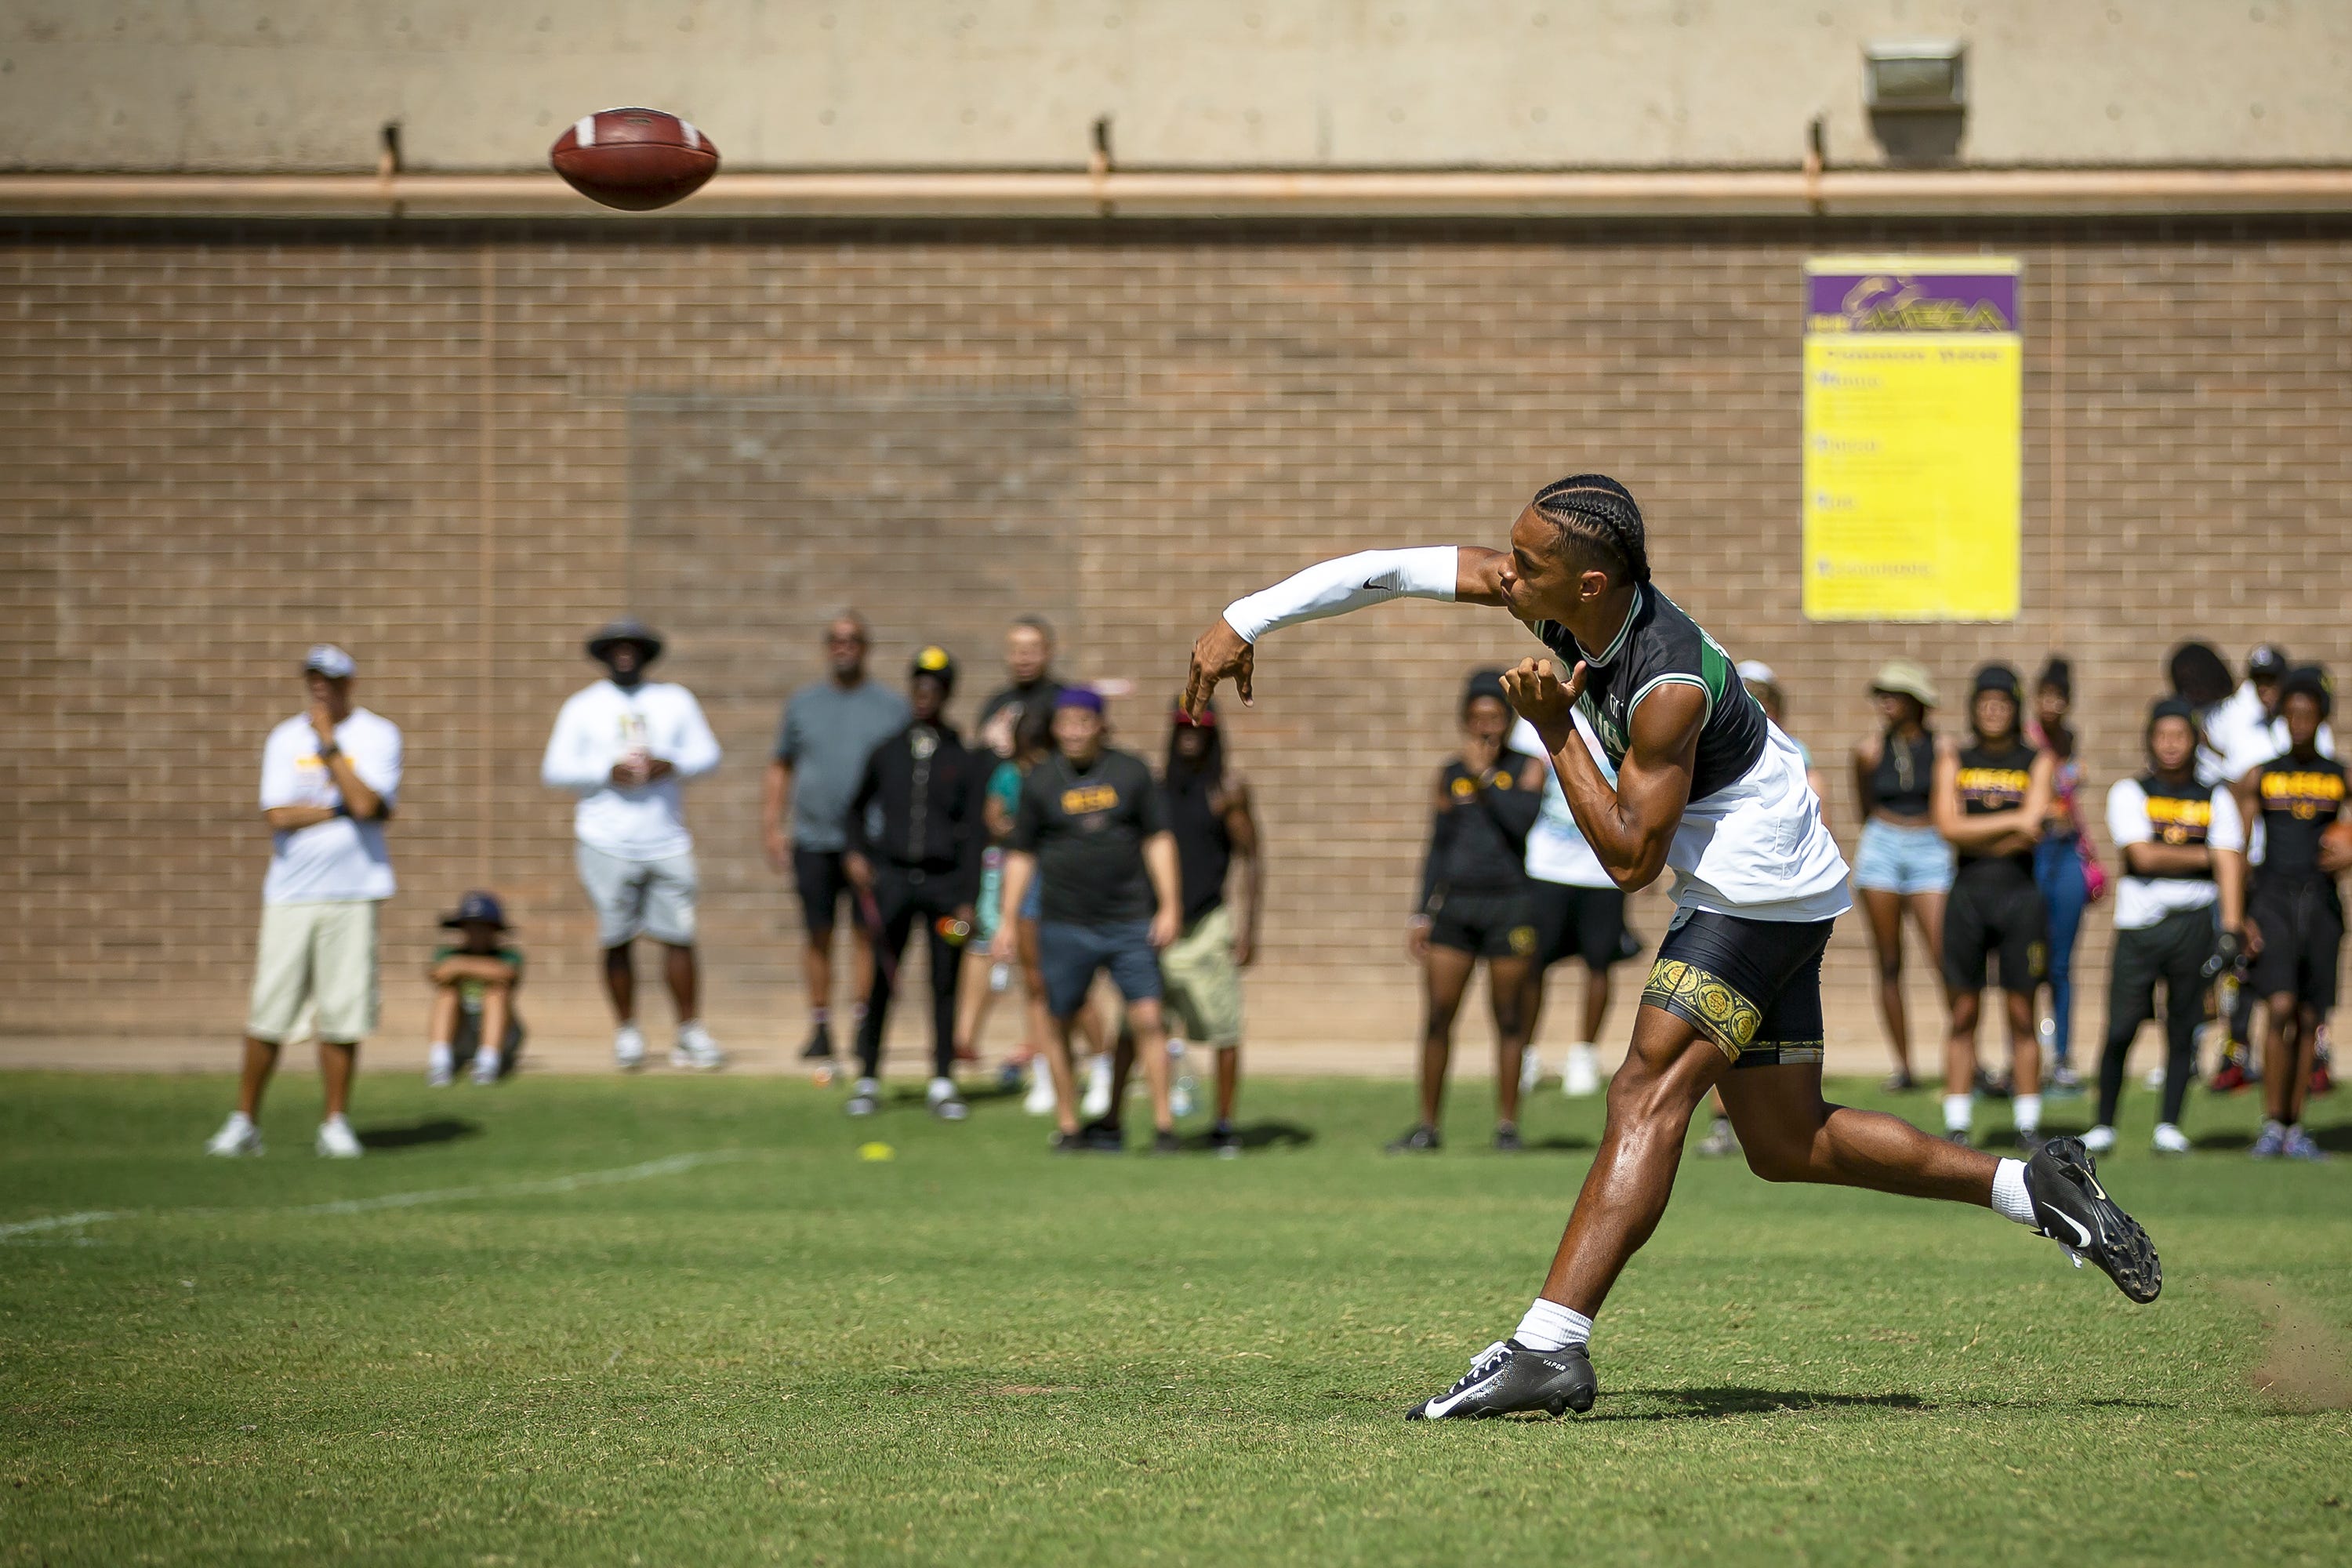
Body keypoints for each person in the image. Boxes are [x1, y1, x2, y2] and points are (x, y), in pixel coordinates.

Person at [1185, 473, 2158, 1421]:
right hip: (1774, 876)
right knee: (1785, 1141)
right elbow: (1397, 570)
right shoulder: (1562, 601)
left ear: (1591, 585)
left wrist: (1555, 727)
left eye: (1524, 562)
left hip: (1755, 883)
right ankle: (2030, 1185)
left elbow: (1627, 860)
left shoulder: (1667, 685)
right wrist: (1248, 615)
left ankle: (1549, 1346)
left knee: (1644, 1092)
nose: (1503, 575)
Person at [208, 644, 403, 1160]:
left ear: (350, 683)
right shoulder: (283, 738)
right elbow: (279, 815)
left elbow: (369, 805)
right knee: (269, 1010)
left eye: (332, 679)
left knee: (342, 1014)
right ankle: (244, 1120)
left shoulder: (378, 735)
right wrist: (339, 807)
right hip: (291, 892)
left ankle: (335, 1122)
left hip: (355, 891)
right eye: (314, 678)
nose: (322, 687)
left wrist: (329, 748)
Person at [993, 688, 1183, 1153]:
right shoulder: (1040, 781)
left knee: (1148, 1018)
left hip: (1127, 921)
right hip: (1064, 923)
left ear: (1100, 724)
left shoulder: (1131, 772)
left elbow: (1158, 839)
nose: (1075, 730)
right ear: (1056, 728)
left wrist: (1170, 905)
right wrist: (1006, 920)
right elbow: (1020, 855)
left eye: (1084, 721)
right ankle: (1070, 1125)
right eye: (1066, 722)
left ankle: (1163, 1127)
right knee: (1056, 1021)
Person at [540, 618, 724, 1072]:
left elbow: (709, 755)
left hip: (665, 838)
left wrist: (672, 764)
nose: (625, 655)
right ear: (604, 655)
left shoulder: (673, 699)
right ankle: (627, 1031)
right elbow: (555, 768)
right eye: (616, 648)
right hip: (606, 839)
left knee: (679, 935)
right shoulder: (583, 706)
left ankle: (689, 1030)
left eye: (633, 648)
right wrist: (606, 771)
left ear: (646, 654)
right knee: (617, 936)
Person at [1392, 670, 1545, 1153]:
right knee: (1439, 1015)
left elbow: (1521, 823)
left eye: (1496, 719)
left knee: (1508, 1018)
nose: (1487, 728)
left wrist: (1485, 779)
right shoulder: (1448, 774)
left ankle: (1506, 1126)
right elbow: (1437, 847)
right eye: (1478, 719)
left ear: (1509, 722)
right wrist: (1422, 912)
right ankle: (1427, 1127)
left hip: (1509, 904)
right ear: (1464, 720)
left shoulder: (1527, 768)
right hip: (1456, 908)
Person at [2088, 700, 2245, 1156]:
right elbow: (2143, 856)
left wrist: (2231, 927)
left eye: (2180, 735)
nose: (2171, 745)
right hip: (2139, 926)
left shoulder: (2216, 795)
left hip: (2196, 923)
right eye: (2162, 736)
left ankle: (2170, 1125)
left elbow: (2232, 865)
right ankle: (2103, 1125)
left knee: (2184, 1025)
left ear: (2194, 741)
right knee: (2120, 1027)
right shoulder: (2130, 791)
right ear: (2150, 741)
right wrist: (2208, 855)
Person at [840, 646, 990, 1121]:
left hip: (945, 886)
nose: (925, 696)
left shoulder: (962, 757)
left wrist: (968, 898)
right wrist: (858, 854)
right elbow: (854, 810)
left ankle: (943, 1080)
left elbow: (974, 834)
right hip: (894, 882)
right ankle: (868, 1076)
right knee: (883, 979)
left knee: (945, 981)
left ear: (946, 694)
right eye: (919, 687)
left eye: (935, 689)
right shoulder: (887, 750)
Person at [765, 612, 912, 1072]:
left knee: (868, 932)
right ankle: (820, 1024)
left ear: (866, 647)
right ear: (827, 647)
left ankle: (864, 1023)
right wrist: (772, 825)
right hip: (813, 838)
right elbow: (780, 766)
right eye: (836, 640)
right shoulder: (804, 704)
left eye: (852, 639)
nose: (843, 646)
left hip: (870, 842)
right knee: (818, 933)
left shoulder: (891, 707)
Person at [1934, 663, 2056, 1149]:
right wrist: (2012, 824)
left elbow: (2038, 825)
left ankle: (2028, 1121)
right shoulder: (1954, 757)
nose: (1992, 711)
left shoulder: (2037, 759)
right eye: (1984, 703)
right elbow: (1947, 826)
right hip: (1967, 895)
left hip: (2020, 898)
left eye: (2002, 703)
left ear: (2015, 708)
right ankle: (1958, 1122)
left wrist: (1978, 830)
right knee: (1963, 1013)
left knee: (2022, 1013)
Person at [2232, 666, 2347, 1160]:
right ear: (2283, 719)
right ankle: (2270, 1123)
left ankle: (2295, 1126)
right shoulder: (2262, 774)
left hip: (2320, 901)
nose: (2300, 721)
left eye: (2309, 713)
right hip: (2272, 898)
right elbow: (2234, 847)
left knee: (2307, 1014)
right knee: (2277, 1006)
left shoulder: (2338, 775)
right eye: (2292, 713)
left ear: (2321, 717)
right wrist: (2238, 916)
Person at [1156, 697, 1262, 1156]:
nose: (1190, 735)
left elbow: (1253, 859)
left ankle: (1223, 1124)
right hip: (1158, 926)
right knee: (1137, 1026)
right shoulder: (1155, 790)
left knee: (1223, 1030)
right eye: (1182, 727)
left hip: (1207, 923)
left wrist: (1248, 929)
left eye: (1199, 728)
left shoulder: (1227, 791)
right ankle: (1116, 1120)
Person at [1509, 701, 1627, 1108]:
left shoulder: (1617, 711)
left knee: (1599, 962)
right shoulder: (1540, 716)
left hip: (1603, 867)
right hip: (1546, 863)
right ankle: (1524, 1053)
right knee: (1533, 963)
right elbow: (1526, 784)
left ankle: (1584, 1055)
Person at [1849, 659, 1953, 1093]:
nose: (1886, 701)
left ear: (1916, 701)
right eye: (1882, 694)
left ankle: (1965, 1055)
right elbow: (1864, 808)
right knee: (1889, 961)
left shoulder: (1944, 747)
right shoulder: (1868, 750)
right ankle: (1905, 1066)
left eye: (1895, 693)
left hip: (1931, 845)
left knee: (1946, 957)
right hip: (1883, 846)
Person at [2027, 657, 2099, 1096]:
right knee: (2029, 961)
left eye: (2060, 698)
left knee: (2062, 963)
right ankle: (2027, 1053)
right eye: (2045, 697)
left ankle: (2063, 1057)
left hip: (2068, 853)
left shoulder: (2069, 740)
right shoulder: (2025, 739)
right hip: (2034, 853)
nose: (2052, 705)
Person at [425, 891, 525, 1087]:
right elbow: (438, 974)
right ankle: (439, 1063)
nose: (476, 933)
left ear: (495, 930)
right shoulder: (446, 953)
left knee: (495, 994)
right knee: (448, 994)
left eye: (482, 927)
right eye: (471, 927)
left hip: (503, 1035)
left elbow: (506, 974)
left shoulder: (510, 956)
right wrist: (482, 969)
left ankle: (487, 1064)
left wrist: (459, 966)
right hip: (461, 1033)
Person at [975, 615, 1062, 760]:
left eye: (1032, 650)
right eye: (1016, 650)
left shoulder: (1063, 701)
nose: (1024, 659)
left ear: (1048, 651)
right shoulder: (997, 702)